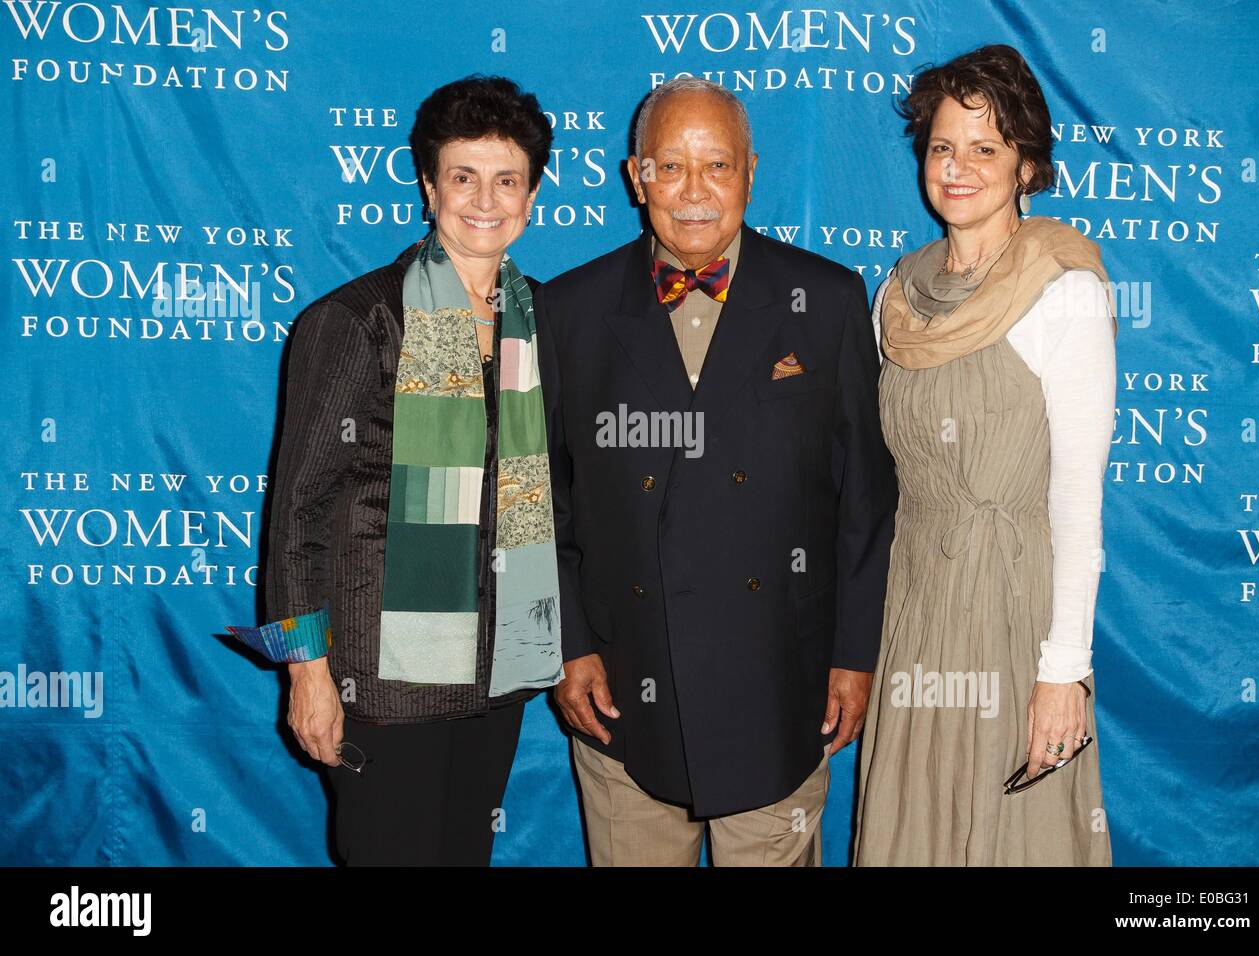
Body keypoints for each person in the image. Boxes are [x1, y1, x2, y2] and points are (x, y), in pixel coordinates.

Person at [536, 77, 898, 866]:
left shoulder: (827, 299)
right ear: (638, 178)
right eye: (671, 166)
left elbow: (864, 501)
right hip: (624, 693)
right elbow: (542, 501)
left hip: (780, 686)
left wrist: (854, 653)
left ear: (751, 171)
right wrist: (566, 645)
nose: (694, 192)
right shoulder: (568, 311)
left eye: (718, 166)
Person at [262, 75, 559, 865]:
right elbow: (297, 515)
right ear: (429, 187)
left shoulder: (541, 323)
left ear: (532, 194)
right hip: (380, 680)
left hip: (496, 674)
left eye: (507, 180)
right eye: (463, 177)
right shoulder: (357, 320)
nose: (486, 201)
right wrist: (308, 677)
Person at [852, 44, 1115, 865]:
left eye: (985, 147)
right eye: (942, 146)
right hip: (916, 607)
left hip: (1013, 616)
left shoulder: (1064, 287)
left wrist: (1063, 671)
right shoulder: (896, 294)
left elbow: (1077, 500)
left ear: (1026, 164)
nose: (957, 168)